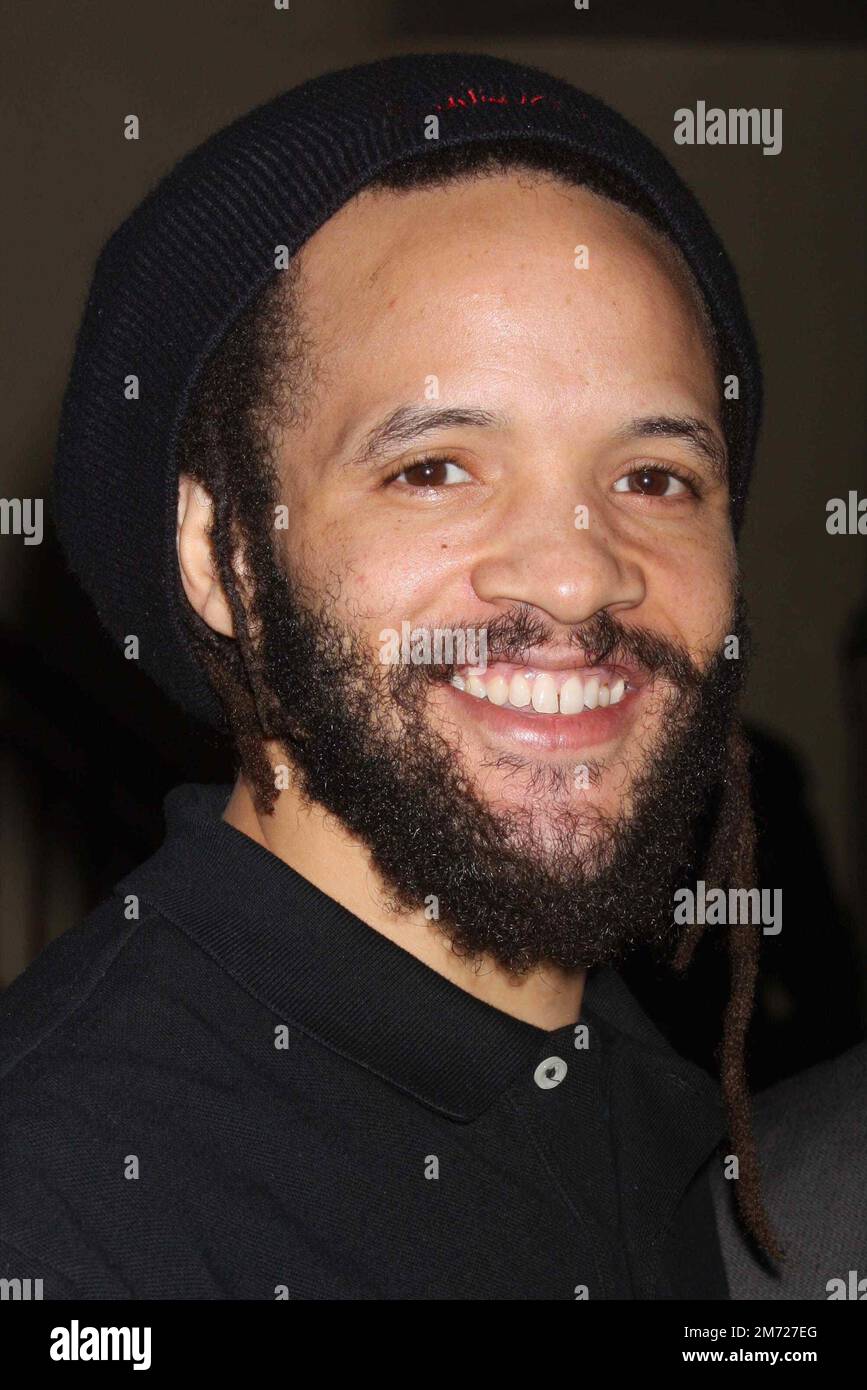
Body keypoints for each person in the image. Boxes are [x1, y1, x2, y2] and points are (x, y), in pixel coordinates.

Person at [0, 51, 780, 1299]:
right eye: (434, 468)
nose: (580, 577)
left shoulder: (697, 1145)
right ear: (223, 556)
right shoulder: (64, 1214)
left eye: (655, 478)